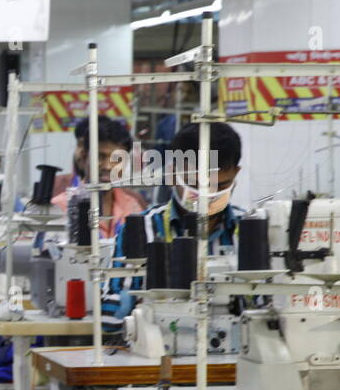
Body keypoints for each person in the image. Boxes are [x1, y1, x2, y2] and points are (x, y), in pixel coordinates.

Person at [101, 121, 245, 334]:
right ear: (172, 173)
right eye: (195, 185)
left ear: (236, 173)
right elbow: (108, 318)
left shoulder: (248, 230)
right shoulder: (142, 229)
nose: (207, 197)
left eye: (221, 186)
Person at [50, 116, 146, 238]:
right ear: (85, 157)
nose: (108, 166)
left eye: (117, 159)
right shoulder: (60, 207)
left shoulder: (133, 207)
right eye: (100, 156)